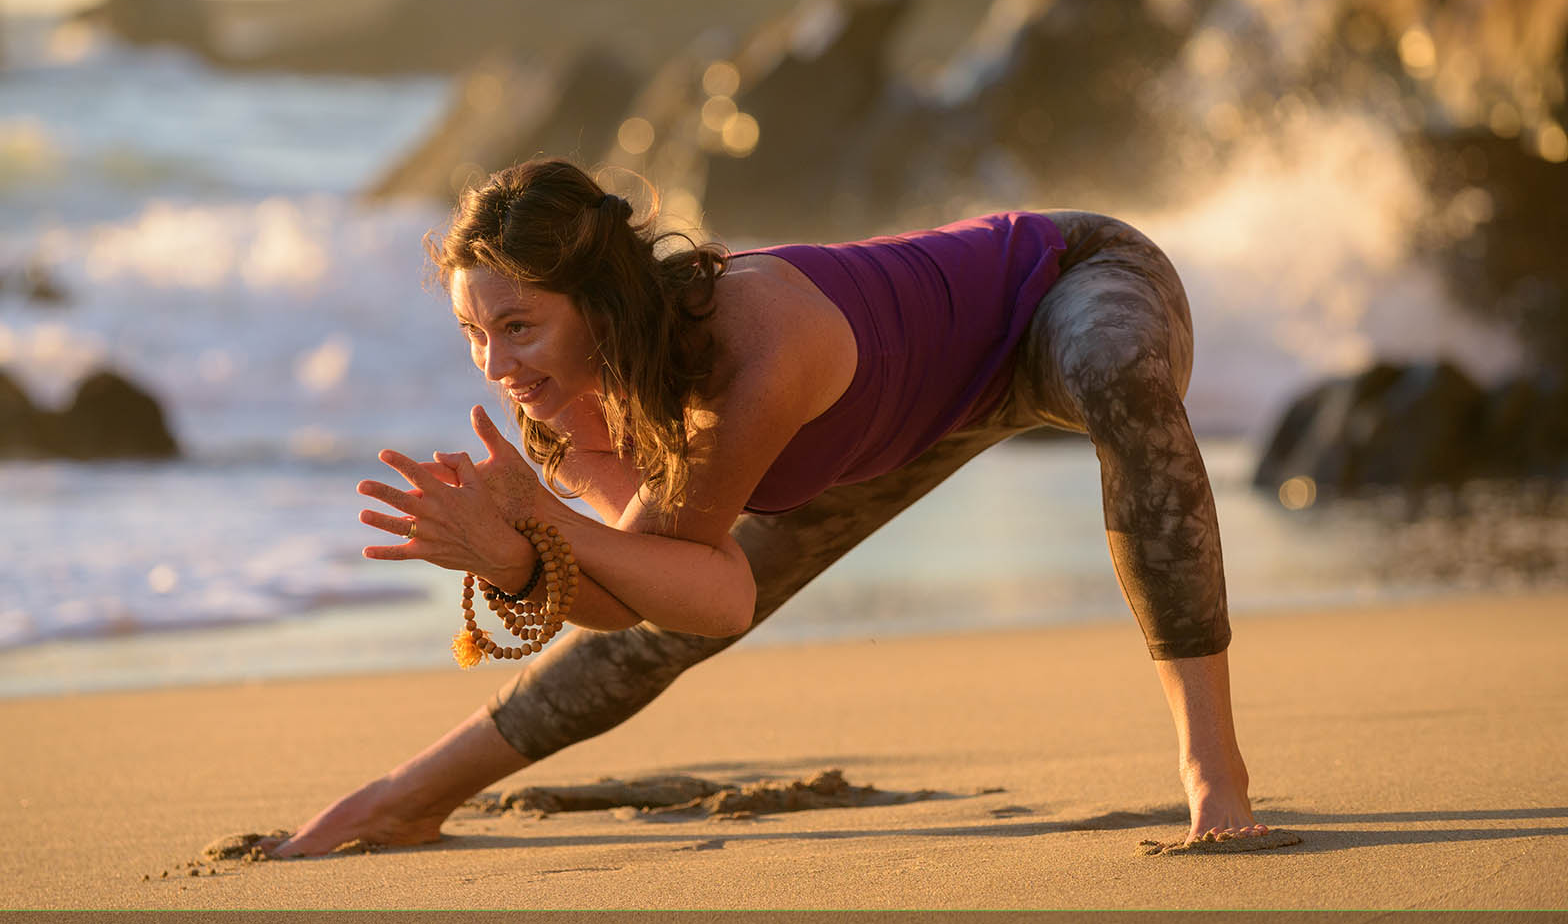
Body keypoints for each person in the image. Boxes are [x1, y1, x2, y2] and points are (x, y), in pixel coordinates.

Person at [274, 157, 1267, 856]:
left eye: (519, 325)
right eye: (473, 332)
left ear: (601, 302)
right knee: (652, 611)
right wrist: (518, 556)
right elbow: (662, 601)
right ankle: (403, 798)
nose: (496, 364)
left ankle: (1213, 772)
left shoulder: (752, 336)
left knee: (1114, 370)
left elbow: (698, 586)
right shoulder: (564, 413)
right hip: (900, 424)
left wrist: (545, 524)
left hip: (1068, 288)